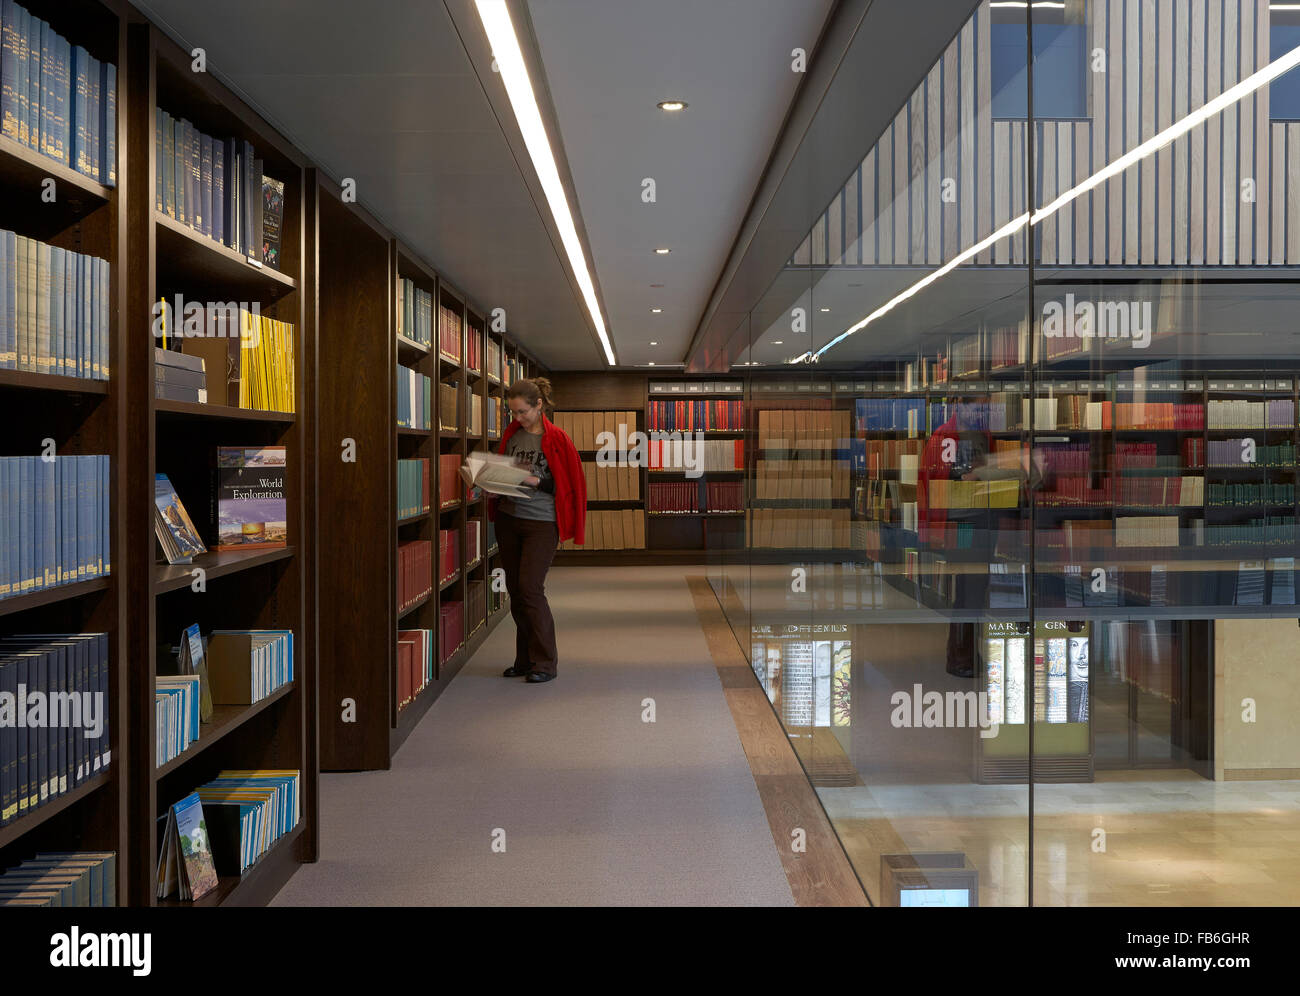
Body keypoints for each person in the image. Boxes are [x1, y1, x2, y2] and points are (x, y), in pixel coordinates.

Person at [486, 377, 586, 683]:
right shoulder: (512, 435)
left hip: (541, 522)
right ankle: (525, 659)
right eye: (513, 413)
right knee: (515, 591)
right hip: (509, 517)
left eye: (522, 412)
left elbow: (568, 486)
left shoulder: (558, 439)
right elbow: (504, 471)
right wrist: (489, 480)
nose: (517, 418)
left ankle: (545, 662)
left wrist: (535, 481)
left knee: (531, 589)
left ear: (538, 405)